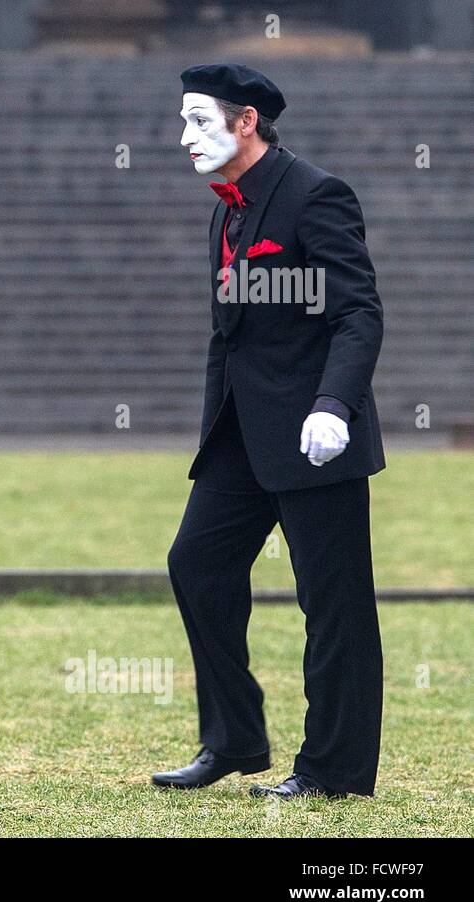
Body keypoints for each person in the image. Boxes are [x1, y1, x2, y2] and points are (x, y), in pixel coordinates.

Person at [152, 64, 386, 799]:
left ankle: (333, 771)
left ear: (244, 121)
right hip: (239, 437)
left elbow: (359, 313)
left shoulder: (316, 193)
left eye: (198, 121)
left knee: (333, 602)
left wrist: (334, 406)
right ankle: (233, 738)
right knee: (196, 564)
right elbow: (228, 335)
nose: (184, 136)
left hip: (316, 432)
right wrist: (210, 432)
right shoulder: (224, 209)